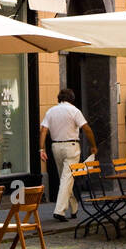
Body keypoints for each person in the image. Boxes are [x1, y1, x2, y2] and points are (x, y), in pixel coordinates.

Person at [37, 88, 98, 222]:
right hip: (71, 146)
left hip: (55, 147)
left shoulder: (51, 111)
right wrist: (93, 145)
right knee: (67, 178)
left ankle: (74, 206)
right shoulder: (74, 110)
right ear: (72, 99)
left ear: (59, 98)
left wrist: (41, 149)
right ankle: (59, 211)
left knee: (65, 178)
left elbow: (43, 131)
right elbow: (86, 129)